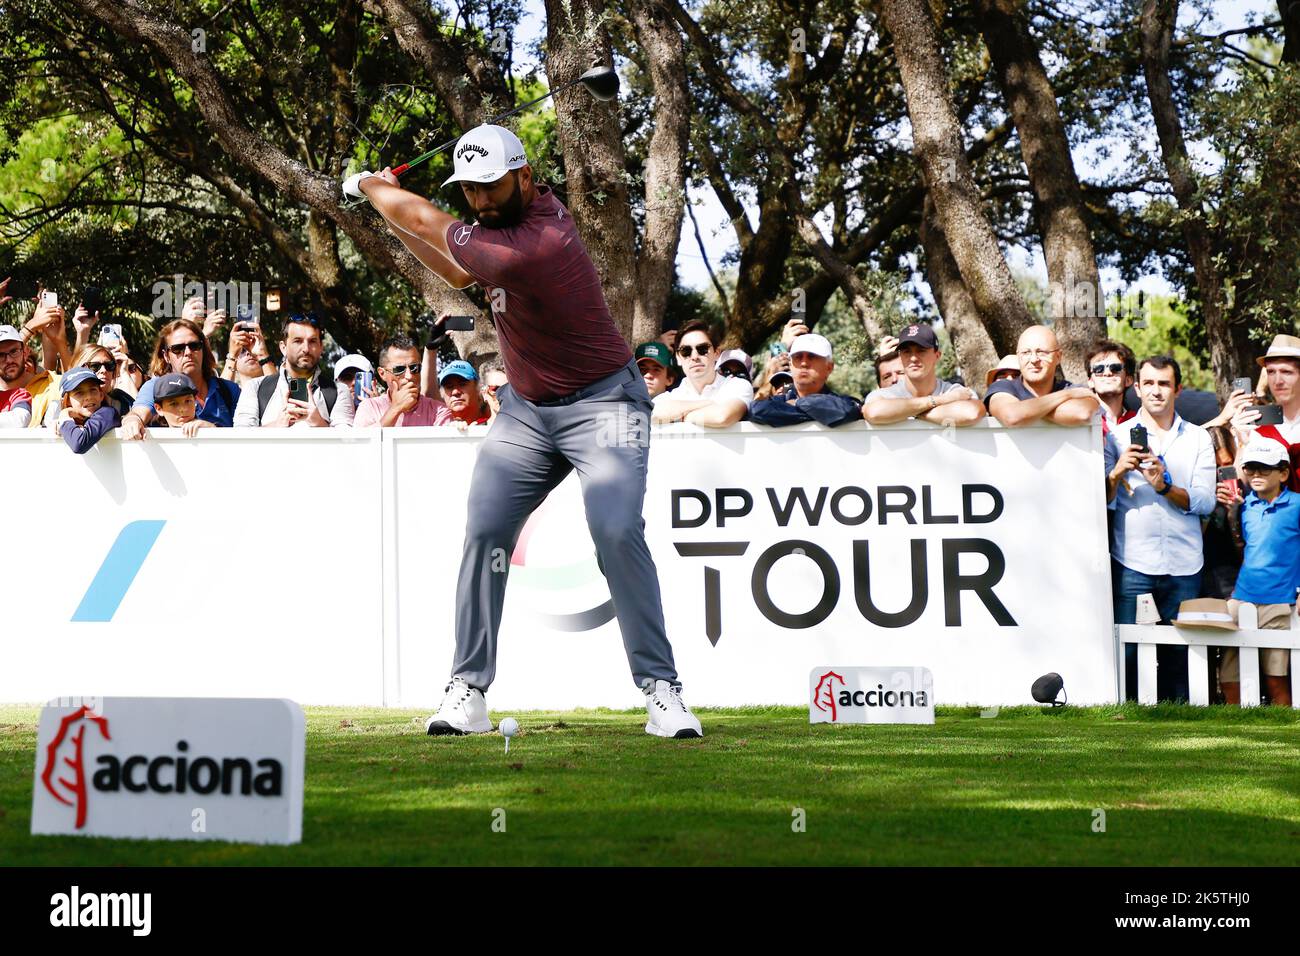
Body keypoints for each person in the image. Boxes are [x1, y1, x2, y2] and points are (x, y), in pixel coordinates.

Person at [348, 122, 701, 738]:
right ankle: (468, 691)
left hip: (608, 406)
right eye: (470, 190)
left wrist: (371, 186)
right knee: (485, 531)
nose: (480, 200)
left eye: (491, 186)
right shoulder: (495, 235)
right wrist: (390, 215)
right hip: (528, 412)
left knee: (616, 530)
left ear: (525, 177)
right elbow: (455, 271)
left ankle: (661, 691)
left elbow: (429, 224)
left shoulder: (539, 242)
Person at [1104, 355, 1215, 701]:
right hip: (1133, 561)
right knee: (1129, 655)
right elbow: (1100, 501)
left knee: (1181, 658)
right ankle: (1126, 727)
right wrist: (1116, 473)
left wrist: (1164, 486)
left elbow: (1206, 502)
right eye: (1148, 383)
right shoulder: (1115, 437)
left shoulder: (1198, 439)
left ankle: (1182, 727)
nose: (1156, 391)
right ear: (1136, 388)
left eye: (1164, 383)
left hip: (1185, 564)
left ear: (1177, 389)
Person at [1215, 440, 1299, 706]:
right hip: (1242, 599)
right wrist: (1228, 510)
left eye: (1264, 469)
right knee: (1229, 677)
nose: (1256, 475)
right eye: (1251, 470)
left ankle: (1284, 732)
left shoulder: (1297, 504)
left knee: (1276, 678)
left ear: (1283, 473)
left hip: (1281, 602)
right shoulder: (1243, 507)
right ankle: (1231, 733)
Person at [120, 319, 241, 439]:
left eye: (194, 346)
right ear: (166, 356)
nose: (188, 352)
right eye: (178, 348)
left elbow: (245, 435)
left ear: (203, 349)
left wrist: (212, 431)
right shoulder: (156, 386)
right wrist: (132, 421)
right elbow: (137, 413)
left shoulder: (229, 389)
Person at [233, 313, 354, 428]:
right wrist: (277, 425)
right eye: (298, 341)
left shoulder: (338, 391)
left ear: (321, 347)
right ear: (283, 347)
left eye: (312, 341)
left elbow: (347, 443)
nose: (306, 349)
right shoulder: (255, 387)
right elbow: (241, 439)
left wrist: (319, 422)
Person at [863, 323, 984, 426]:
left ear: (937, 356)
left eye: (921, 350)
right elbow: (873, 412)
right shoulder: (886, 394)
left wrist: (908, 411)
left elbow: (972, 413)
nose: (913, 358)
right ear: (900, 357)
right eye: (906, 352)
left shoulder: (953, 390)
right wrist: (942, 400)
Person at [985, 326, 1098, 427]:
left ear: (1058, 357)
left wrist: (1024, 410)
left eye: (1042, 352)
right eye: (1026, 353)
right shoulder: (1002, 387)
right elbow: (1012, 417)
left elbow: (1083, 414)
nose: (1034, 359)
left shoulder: (1072, 388)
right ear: (1018, 356)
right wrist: (1068, 395)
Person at [651, 319, 753, 426]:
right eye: (686, 351)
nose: (694, 357)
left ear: (717, 353)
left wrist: (679, 417)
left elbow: (722, 417)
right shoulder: (670, 396)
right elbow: (653, 414)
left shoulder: (737, 386)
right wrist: (708, 404)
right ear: (678, 358)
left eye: (703, 349)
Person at [748, 333, 861, 427]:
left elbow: (846, 411)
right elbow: (756, 410)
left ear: (829, 367)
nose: (804, 363)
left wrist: (797, 403)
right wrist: (822, 413)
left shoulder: (844, 403)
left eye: (812, 356)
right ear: (791, 365)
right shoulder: (776, 402)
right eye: (798, 357)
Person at [354, 335, 452, 427]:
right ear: (382, 374)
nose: (409, 376)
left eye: (414, 368)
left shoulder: (439, 410)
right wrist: (395, 409)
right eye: (399, 369)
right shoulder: (369, 408)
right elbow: (361, 444)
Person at [43, 344, 136, 424]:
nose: (104, 370)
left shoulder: (121, 401)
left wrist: (124, 372)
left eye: (109, 365)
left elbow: (141, 410)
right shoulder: (57, 407)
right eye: (95, 366)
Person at [55, 367, 121, 454]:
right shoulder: (61, 418)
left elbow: (79, 444)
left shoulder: (108, 413)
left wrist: (64, 415)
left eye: (93, 390)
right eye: (79, 393)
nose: (89, 397)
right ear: (67, 401)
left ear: (101, 395)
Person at [1085, 339, 1136, 433]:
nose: (1107, 373)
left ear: (1128, 380)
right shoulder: (1081, 421)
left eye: (1115, 368)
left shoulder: (1140, 421)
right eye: (1098, 369)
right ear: (1090, 381)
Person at [150, 373, 216, 437]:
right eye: (173, 404)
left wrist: (213, 430)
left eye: (187, 401)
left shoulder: (208, 428)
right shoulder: (151, 439)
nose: (183, 408)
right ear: (159, 409)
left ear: (195, 401)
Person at [438, 360, 493, 426]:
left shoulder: (495, 423)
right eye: (449, 387)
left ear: (478, 389)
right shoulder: (436, 427)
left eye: (462, 384)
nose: (455, 392)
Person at [0, 326, 34, 427]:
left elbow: (20, 419)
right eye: (0, 355)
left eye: (14, 351)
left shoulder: (19, 394)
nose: (9, 360)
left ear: (25, 352)